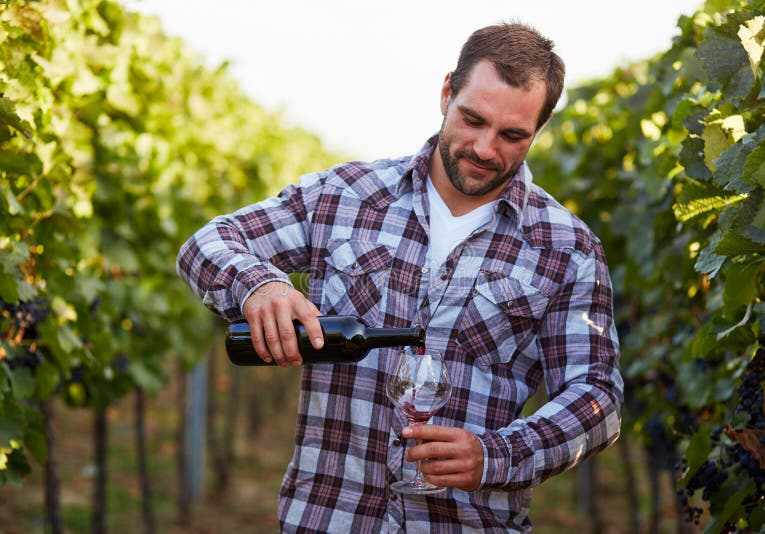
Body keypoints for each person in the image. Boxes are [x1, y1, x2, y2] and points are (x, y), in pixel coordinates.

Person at [177, 21, 623, 533]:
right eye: (472, 119)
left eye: (512, 135)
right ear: (446, 92)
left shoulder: (568, 248)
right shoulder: (345, 196)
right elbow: (207, 244)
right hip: (328, 519)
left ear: (538, 131)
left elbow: (597, 397)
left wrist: (496, 455)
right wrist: (260, 284)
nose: (483, 147)